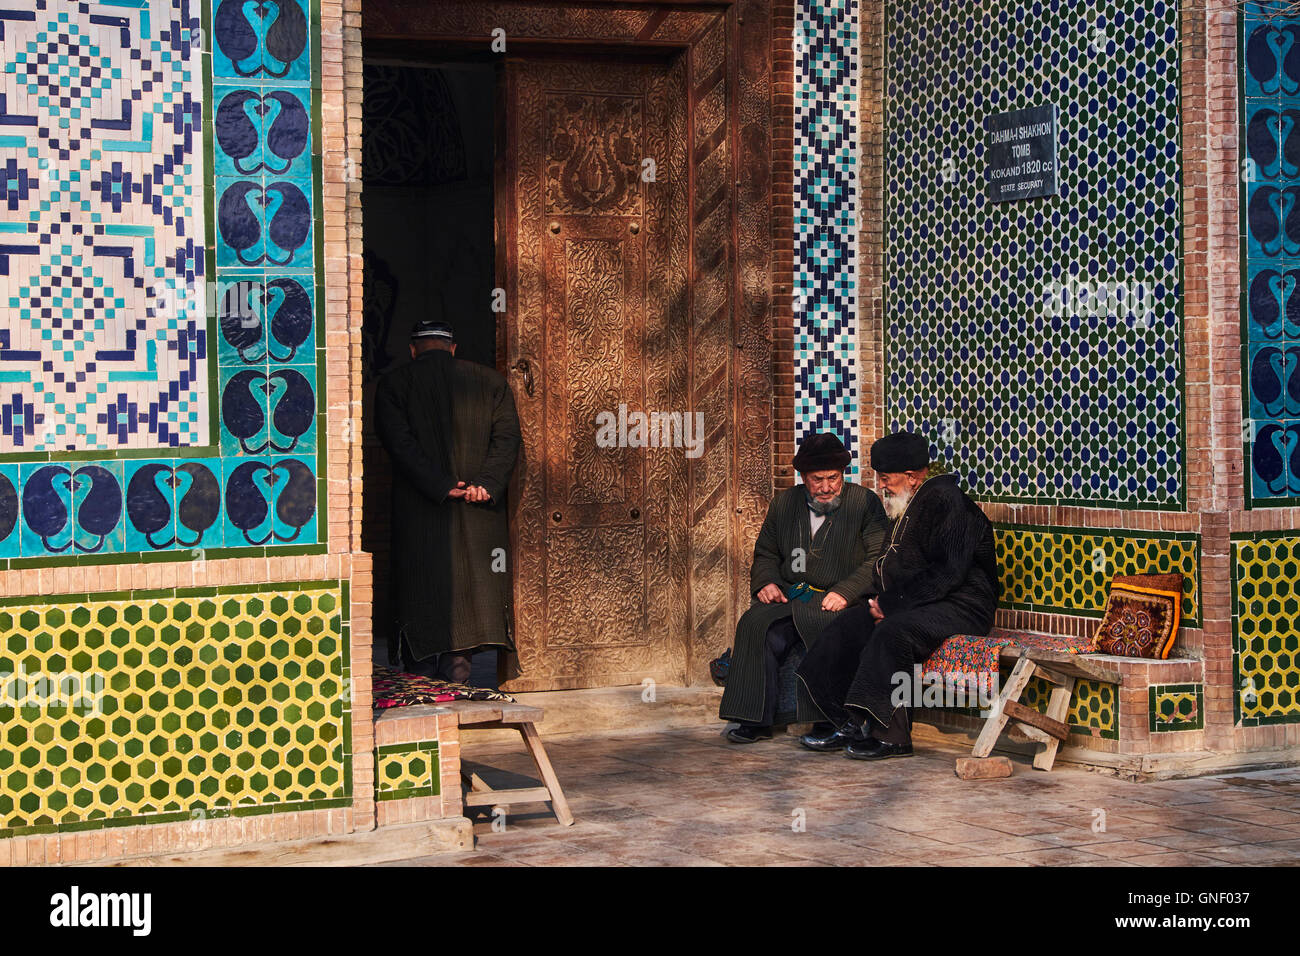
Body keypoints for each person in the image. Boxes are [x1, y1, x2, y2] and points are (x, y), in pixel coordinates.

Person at [796, 431, 999, 759]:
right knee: (848, 626)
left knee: (892, 632)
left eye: (886, 478)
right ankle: (843, 720)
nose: (882, 485)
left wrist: (890, 606)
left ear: (913, 476)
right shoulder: (909, 501)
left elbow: (947, 574)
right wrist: (876, 601)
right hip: (920, 602)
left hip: (963, 606)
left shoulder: (948, 501)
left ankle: (892, 737)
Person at [374, 319, 521, 684]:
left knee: (419, 587)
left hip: (419, 507)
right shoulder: (491, 382)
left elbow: (399, 443)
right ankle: (458, 683)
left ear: (413, 350)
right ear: (453, 348)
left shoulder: (394, 383)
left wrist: (440, 484)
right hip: (479, 509)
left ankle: (420, 686)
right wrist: (485, 483)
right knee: (470, 596)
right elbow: (507, 439)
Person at [718, 433, 890, 743]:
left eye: (833, 478)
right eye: (817, 479)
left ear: (843, 475)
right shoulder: (784, 503)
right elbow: (767, 552)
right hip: (793, 595)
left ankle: (827, 720)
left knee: (826, 630)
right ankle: (753, 718)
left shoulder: (864, 502)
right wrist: (767, 582)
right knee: (755, 624)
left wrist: (847, 591)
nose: (826, 487)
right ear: (803, 477)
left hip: (839, 601)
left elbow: (877, 558)